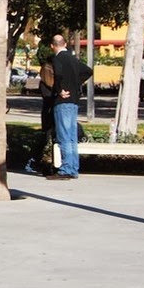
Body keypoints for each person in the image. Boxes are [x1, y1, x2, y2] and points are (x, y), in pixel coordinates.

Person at [48, 34, 92, 180]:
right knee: (72, 136)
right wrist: (76, 84)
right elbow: (88, 71)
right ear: (65, 44)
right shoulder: (73, 59)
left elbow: (58, 75)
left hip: (63, 101)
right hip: (74, 100)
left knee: (64, 136)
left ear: (52, 46)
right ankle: (73, 168)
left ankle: (66, 169)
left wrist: (60, 89)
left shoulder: (58, 59)